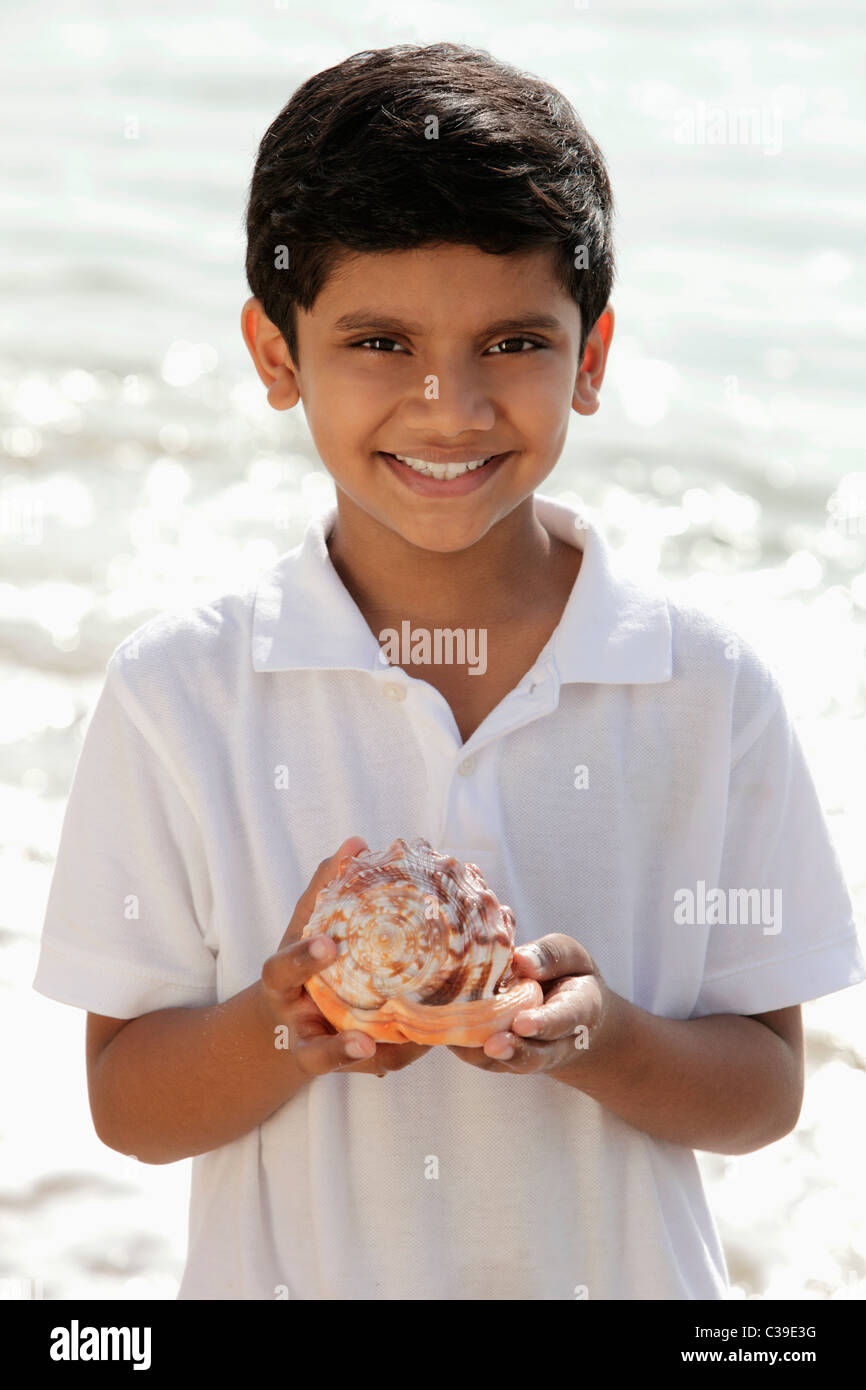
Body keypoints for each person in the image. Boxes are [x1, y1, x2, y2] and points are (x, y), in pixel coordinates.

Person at [33, 42, 865, 1300]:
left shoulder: (702, 685)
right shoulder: (184, 692)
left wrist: (601, 1038)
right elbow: (129, 1107)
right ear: (274, 354)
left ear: (588, 358)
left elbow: (763, 1090)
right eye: (377, 339)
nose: (449, 406)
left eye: (512, 341)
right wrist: (286, 1021)